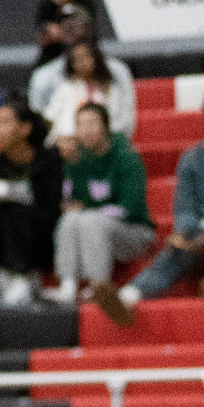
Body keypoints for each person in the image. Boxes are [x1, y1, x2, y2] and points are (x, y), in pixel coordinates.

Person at [96, 88, 204, 328]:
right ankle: (127, 299)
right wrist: (185, 234)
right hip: (200, 229)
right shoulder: (193, 157)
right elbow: (185, 206)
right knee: (172, 253)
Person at [47, 103, 156, 306]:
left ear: (106, 126)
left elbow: (131, 206)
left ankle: (99, 285)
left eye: (92, 123)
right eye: (80, 125)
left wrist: (90, 211)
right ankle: (68, 284)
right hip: (93, 228)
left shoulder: (127, 157)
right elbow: (74, 202)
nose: (86, 130)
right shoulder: (75, 158)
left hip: (134, 231)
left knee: (90, 219)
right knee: (70, 219)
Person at [0, 96, 61, 304]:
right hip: (3, 234)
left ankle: (23, 278)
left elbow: (49, 205)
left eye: (6, 122)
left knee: (15, 209)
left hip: (42, 233)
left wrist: (3, 185)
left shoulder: (48, 159)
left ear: (25, 128)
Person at [28, 9, 131, 119]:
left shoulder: (117, 70)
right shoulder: (43, 76)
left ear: (92, 27)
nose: (75, 31)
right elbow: (38, 117)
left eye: (79, 24)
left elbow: (127, 114)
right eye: (67, 26)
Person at [43, 39, 136, 156]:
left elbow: (120, 121)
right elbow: (50, 117)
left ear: (96, 59)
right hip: (70, 141)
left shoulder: (111, 89)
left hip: (104, 142)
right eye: (77, 59)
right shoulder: (65, 88)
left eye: (86, 57)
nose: (82, 63)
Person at [34, 0, 98, 66]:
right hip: (53, 61)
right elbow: (41, 35)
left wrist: (62, 32)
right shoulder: (45, 9)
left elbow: (87, 32)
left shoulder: (84, 5)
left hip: (86, 60)